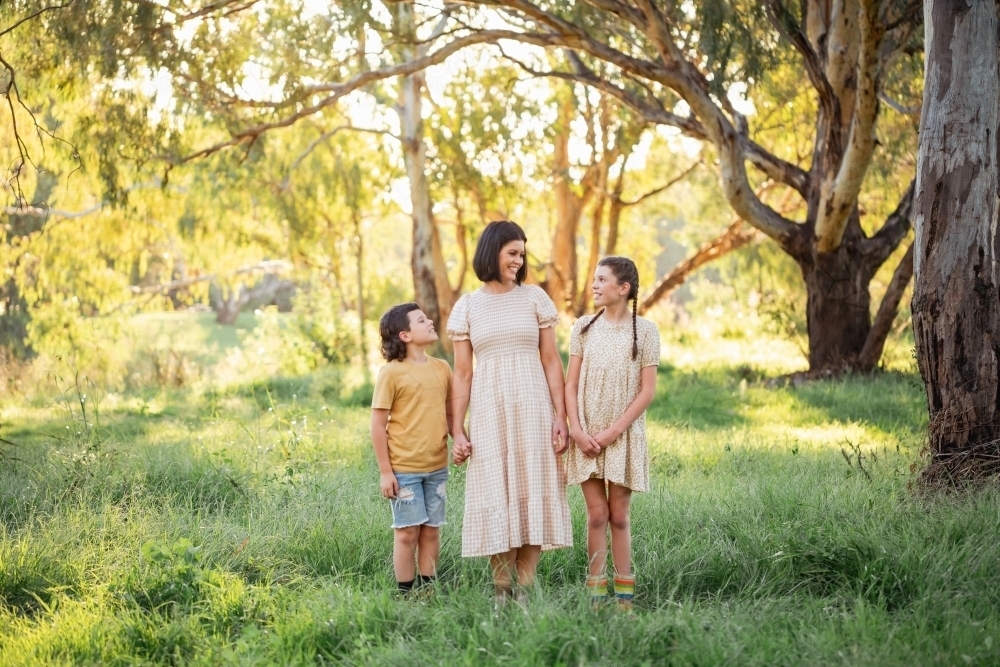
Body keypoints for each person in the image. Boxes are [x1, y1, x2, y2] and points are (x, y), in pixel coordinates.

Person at [448, 220, 573, 605]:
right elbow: (463, 373)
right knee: (495, 493)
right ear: (492, 252)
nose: (519, 261)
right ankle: (501, 592)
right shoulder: (468, 305)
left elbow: (552, 361)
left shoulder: (534, 298)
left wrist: (560, 415)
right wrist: (458, 429)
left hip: (533, 407)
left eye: (522, 254)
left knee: (532, 488)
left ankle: (526, 589)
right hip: (489, 410)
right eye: (512, 253)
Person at [564, 256, 660, 610]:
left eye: (602, 279)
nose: (594, 285)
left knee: (618, 515)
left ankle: (625, 600)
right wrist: (577, 430)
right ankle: (595, 597)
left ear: (624, 288)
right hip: (586, 433)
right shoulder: (583, 327)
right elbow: (570, 383)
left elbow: (647, 390)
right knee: (596, 515)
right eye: (594, 279)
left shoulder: (646, 331)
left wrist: (614, 431)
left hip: (622, 434)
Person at [371, 302, 452, 595]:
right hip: (404, 470)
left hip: (437, 468)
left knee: (431, 531)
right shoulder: (391, 373)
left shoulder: (442, 368)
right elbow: (378, 425)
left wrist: (461, 440)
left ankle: (428, 592)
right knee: (407, 534)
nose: (430, 321)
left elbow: (452, 412)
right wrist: (385, 472)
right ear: (405, 335)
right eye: (421, 320)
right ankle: (405, 594)